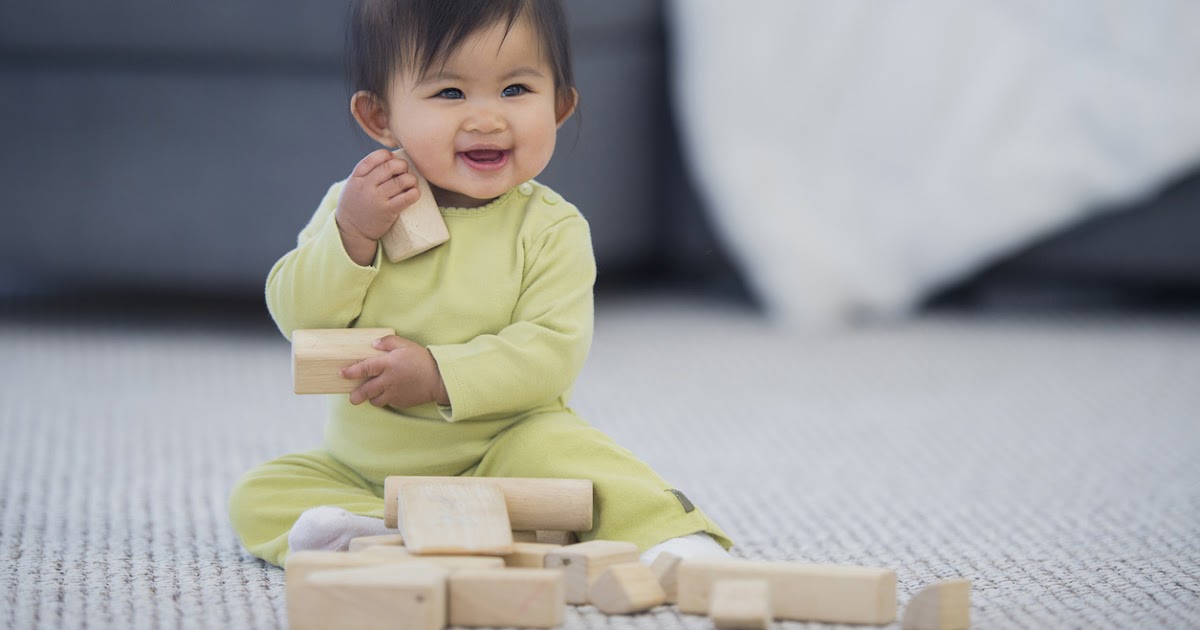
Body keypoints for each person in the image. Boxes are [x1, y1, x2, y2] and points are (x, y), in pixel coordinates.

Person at [228, 0, 732, 568]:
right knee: (262, 492)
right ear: (380, 118)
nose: (487, 118)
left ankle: (670, 536)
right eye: (450, 93)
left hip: (505, 449)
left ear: (561, 106)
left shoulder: (550, 228)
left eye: (516, 89)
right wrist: (352, 235)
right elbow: (299, 320)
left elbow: (550, 352)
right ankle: (373, 529)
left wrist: (438, 374)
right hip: (368, 467)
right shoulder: (358, 208)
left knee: (579, 459)